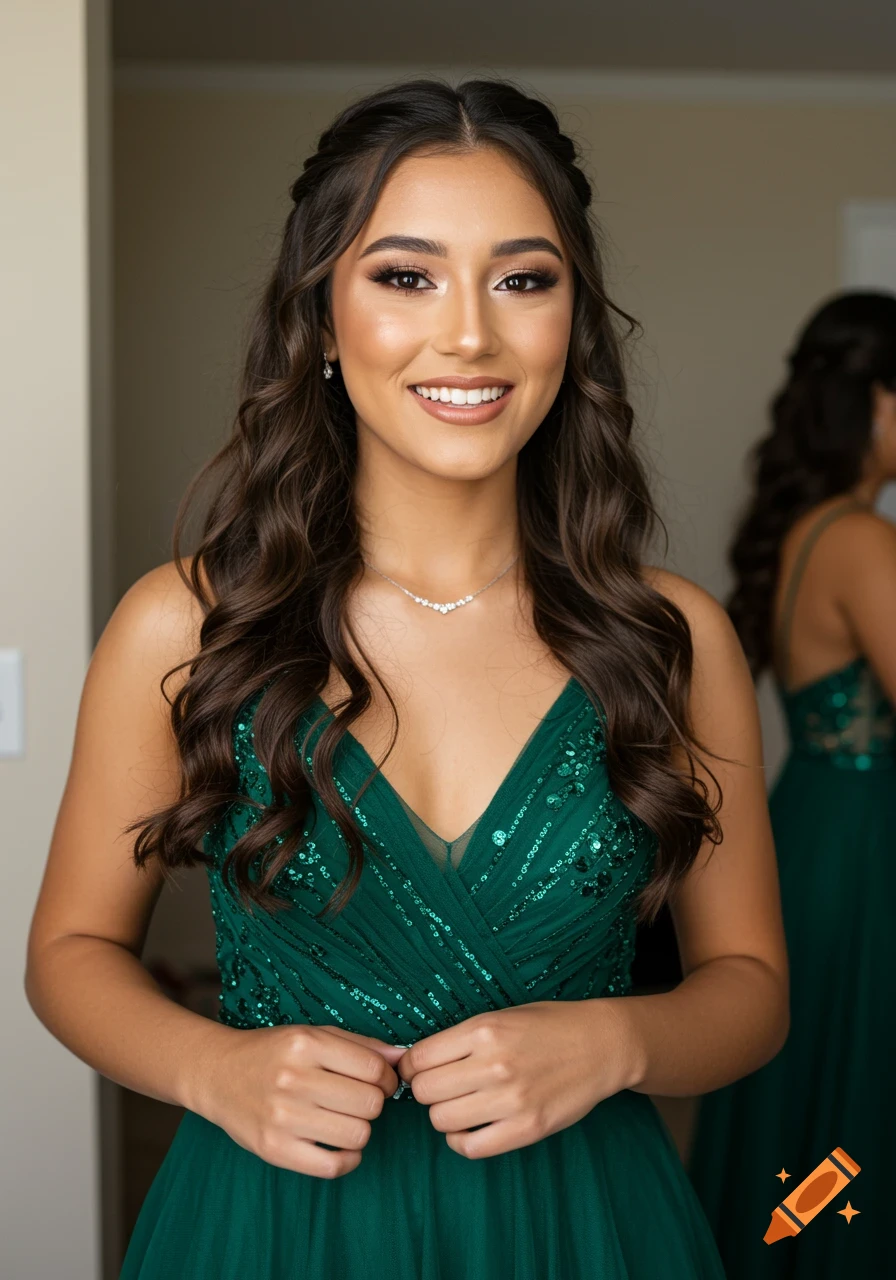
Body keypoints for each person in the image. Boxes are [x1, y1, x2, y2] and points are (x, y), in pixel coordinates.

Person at [26, 78, 786, 1279]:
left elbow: (749, 987)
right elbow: (68, 948)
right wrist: (208, 1066)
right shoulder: (185, 620)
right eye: (404, 274)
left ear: (572, 324)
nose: (469, 333)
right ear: (322, 319)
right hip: (273, 1224)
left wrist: (619, 1039)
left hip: (582, 1227)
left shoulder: (671, 635)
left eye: (522, 279)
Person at [689, 291, 896, 1278]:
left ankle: (798, 1236)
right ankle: (829, 1252)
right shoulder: (861, 539)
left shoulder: (807, 530)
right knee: (860, 1081)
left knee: (820, 1076)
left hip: (813, 822)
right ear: (878, 405)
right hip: (865, 839)